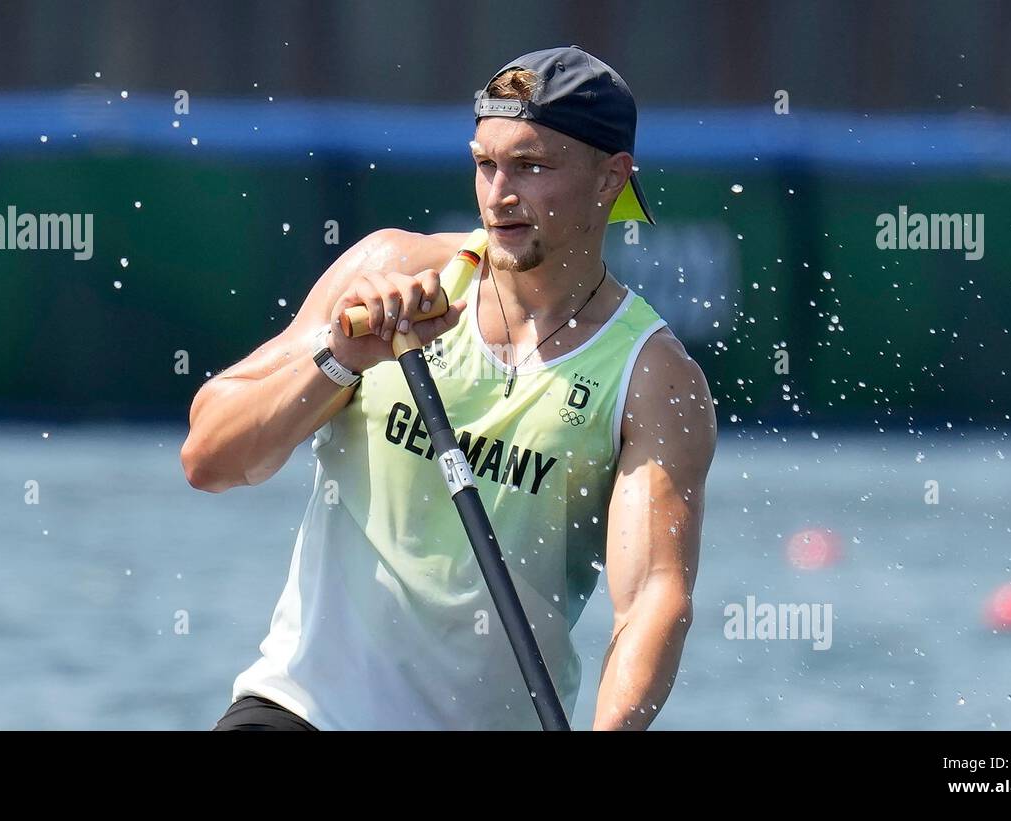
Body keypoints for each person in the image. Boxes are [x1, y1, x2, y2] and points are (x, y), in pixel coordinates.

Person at [183, 45, 717, 730]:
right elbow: (209, 457)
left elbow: (652, 598)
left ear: (610, 178)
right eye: (485, 164)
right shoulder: (389, 273)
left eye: (531, 166)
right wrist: (340, 359)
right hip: (303, 711)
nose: (499, 194)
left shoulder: (652, 376)